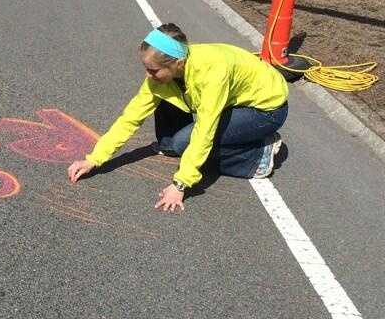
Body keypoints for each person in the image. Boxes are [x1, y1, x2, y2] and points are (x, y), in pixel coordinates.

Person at [66, 23, 288, 211]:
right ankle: (198, 141)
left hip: (265, 109)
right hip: (234, 102)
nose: (147, 75)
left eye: (152, 70)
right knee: (169, 128)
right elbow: (130, 118)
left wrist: (181, 184)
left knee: (185, 144)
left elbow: (205, 130)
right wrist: (94, 159)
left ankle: (258, 155)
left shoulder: (212, 72)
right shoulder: (169, 71)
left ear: (177, 63)